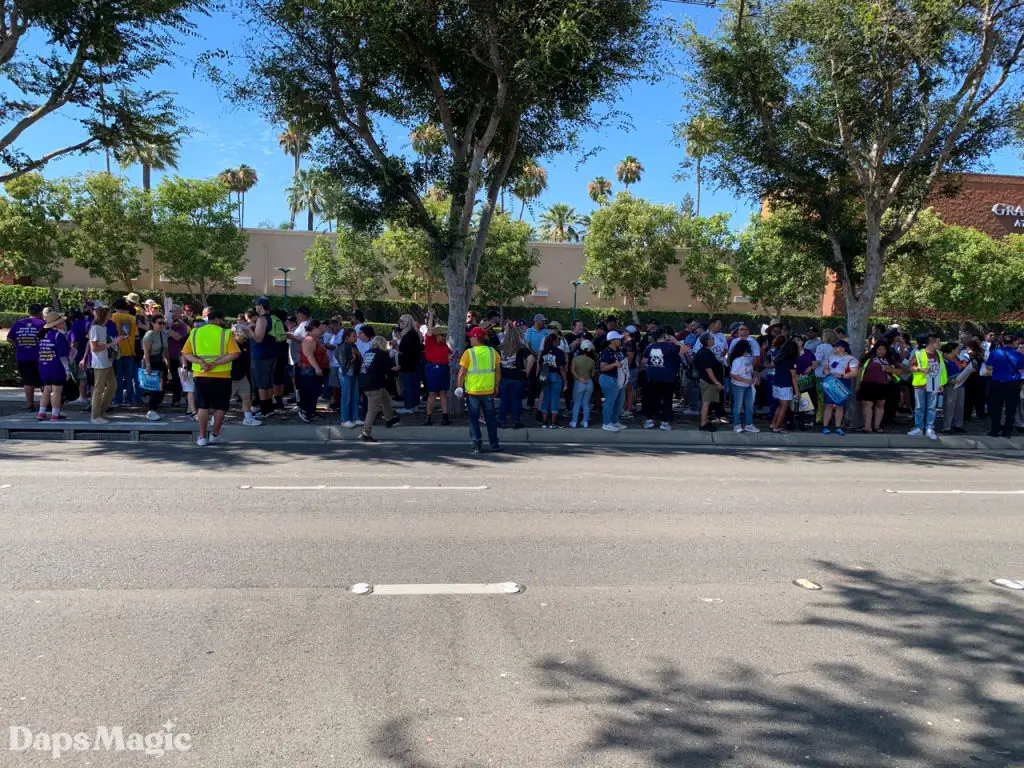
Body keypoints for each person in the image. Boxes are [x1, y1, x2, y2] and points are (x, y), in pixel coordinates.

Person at [181, 310, 240, 446]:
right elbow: (235, 354)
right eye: (223, 320)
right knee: (220, 406)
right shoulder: (226, 333)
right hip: (222, 375)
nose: (224, 323)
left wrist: (199, 362)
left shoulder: (195, 332)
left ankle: (202, 437)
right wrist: (215, 364)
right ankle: (215, 435)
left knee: (203, 406)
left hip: (200, 374)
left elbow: (185, 353)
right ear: (218, 320)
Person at [456, 326, 502, 453]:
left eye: (471, 336)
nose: (469, 338)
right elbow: (498, 372)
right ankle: (494, 444)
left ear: (476, 338)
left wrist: (459, 387)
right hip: (488, 391)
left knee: (473, 418)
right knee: (490, 419)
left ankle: (477, 444)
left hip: (473, 392)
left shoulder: (468, 353)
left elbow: (462, 372)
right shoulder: (493, 352)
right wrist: (496, 386)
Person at [358, 334, 400, 442]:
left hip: (365, 382)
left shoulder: (368, 353)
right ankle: (365, 432)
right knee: (373, 409)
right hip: (374, 384)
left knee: (385, 398)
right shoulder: (382, 354)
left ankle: (389, 418)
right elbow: (388, 369)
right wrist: (396, 369)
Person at [641, 326, 681, 431]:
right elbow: (683, 349)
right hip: (668, 377)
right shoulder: (671, 346)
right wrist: (675, 340)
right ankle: (664, 422)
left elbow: (644, 361)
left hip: (652, 376)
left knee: (652, 399)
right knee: (667, 400)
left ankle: (649, 420)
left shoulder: (649, 347)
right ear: (665, 335)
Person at [985, 333, 1024, 438]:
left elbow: (988, 367)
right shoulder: (1019, 355)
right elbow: (1022, 371)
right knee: (1010, 410)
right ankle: (1007, 431)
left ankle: (994, 431)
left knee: (996, 408)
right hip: (1012, 384)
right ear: (1014, 342)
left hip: (997, 383)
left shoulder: (995, 352)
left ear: (1002, 342)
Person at [36, 311, 72, 422]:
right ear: (56, 324)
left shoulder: (43, 335)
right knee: (57, 390)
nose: (64, 323)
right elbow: (63, 356)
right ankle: (55, 414)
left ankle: (41, 413)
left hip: (44, 366)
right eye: (61, 322)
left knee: (46, 389)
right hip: (56, 367)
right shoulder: (58, 335)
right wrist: (67, 370)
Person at [249, 297, 282, 419]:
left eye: (257, 305)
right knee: (268, 382)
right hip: (272, 354)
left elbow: (258, 338)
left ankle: (264, 410)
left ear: (261, 306)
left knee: (262, 383)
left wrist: (249, 329)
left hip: (261, 356)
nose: (255, 307)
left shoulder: (262, 319)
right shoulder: (272, 318)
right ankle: (269, 408)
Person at [908, 333, 946, 440]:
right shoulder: (919, 353)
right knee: (919, 407)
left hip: (934, 383)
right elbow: (911, 367)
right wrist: (921, 369)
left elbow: (942, 369)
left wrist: (942, 383)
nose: (939, 344)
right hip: (920, 383)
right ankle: (918, 428)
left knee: (931, 407)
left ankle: (929, 428)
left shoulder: (939, 354)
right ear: (932, 343)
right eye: (938, 342)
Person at [86, 304, 119, 424]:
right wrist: (112, 343)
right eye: (110, 313)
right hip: (100, 362)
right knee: (98, 389)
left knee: (113, 385)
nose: (111, 314)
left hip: (107, 361)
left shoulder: (103, 327)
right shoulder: (95, 328)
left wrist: (114, 342)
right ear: (104, 314)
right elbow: (94, 348)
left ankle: (100, 411)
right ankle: (95, 416)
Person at [10, 303, 45, 411]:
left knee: (28, 381)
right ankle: (46, 404)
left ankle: (30, 405)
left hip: (22, 356)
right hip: (40, 357)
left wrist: (19, 345)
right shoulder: (43, 324)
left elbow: (9, 338)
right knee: (43, 381)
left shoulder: (19, 323)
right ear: (40, 313)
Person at [821, 339, 858, 436]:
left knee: (839, 406)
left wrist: (841, 376)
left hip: (843, 382)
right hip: (830, 382)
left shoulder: (851, 359)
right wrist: (827, 373)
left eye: (839, 346)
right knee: (828, 405)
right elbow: (825, 368)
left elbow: (854, 372)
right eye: (836, 346)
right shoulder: (829, 357)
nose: (837, 348)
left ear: (844, 348)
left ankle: (838, 427)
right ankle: (825, 427)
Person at [857, 341, 896, 434]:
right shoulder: (868, 358)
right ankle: (867, 426)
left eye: (884, 349)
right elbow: (860, 371)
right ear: (876, 349)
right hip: (867, 384)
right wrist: (857, 385)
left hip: (883, 384)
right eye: (879, 349)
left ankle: (877, 426)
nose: (881, 351)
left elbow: (897, 371)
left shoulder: (890, 359)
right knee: (867, 404)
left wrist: (891, 372)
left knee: (880, 404)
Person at [498, 325, 532, 429]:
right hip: (518, 377)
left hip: (504, 377)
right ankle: (516, 421)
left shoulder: (500, 348)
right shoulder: (521, 348)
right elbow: (531, 359)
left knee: (503, 400)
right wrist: (527, 371)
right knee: (516, 400)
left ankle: (502, 420)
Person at [296, 320, 329, 423]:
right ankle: (305, 411)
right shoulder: (309, 339)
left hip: (315, 369)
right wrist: (317, 368)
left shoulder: (316, 338)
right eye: (319, 328)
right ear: (313, 328)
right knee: (309, 391)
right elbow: (308, 355)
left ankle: (311, 411)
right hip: (309, 370)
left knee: (315, 391)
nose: (321, 330)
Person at [110, 297, 139, 407]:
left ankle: (118, 399)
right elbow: (135, 333)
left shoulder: (114, 317)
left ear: (116, 307)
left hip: (118, 350)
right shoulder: (132, 318)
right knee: (129, 376)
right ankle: (129, 399)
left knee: (118, 376)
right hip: (130, 349)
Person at [230, 322, 260, 427]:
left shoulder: (245, 343)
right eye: (243, 337)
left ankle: (248, 418)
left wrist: (248, 328)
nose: (246, 339)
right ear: (235, 335)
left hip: (243, 376)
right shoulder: (229, 344)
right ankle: (215, 418)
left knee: (247, 397)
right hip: (230, 377)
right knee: (223, 400)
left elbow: (254, 337)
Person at [693, 332, 724, 432]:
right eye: (712, 339)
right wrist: (717, 382)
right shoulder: (706, 353)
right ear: (708, 341)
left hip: (705, 381)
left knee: (706, 403)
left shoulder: (702, 352)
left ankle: (705, 421)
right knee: (706, 403)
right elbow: (708, 370)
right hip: (708, 382)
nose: (714, 340)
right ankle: (703, 423)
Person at [142, 315, 171, 421]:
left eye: (163, 323)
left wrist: (168, 366)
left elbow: (166, 351)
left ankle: (155, 409)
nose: (161, 325)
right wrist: (148, 365)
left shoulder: (163, 334)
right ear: (153, 324)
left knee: (162, 387)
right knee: (154, 388)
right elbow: (146, 352)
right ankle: (151, 410)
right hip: (152, 362)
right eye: (159, 323)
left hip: (160, 362)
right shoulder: (149, 335)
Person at [422, 325, 451, 426]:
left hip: (444, 368)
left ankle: (445, 416)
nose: (444, 337)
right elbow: (429, 332)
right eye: (442, 335)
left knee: (443, 393)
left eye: (444, 335)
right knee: (432, 394)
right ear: (436, 336)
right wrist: (430, 316)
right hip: (433, 369)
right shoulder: (430, 343)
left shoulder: (445, 346)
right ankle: (429, 417)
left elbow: (450, 355)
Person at [536, 333, 567, 428]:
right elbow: (562, 368)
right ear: (554, 341)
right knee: (555, 398)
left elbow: (540, 364)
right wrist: (566, 381)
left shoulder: (544, 352)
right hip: (555, 375)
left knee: (546, 397)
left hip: (545, 375)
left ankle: (544, 422)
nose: (559, 341)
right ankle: (554, 422)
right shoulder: (559, 352)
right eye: (558, 339)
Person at [598, 330, 627, 432]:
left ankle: (614, 421)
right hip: (609, 378)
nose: (620, 340)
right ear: (612, 340)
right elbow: (602, 368)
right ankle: (606, 423)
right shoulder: (606, 352)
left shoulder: (618, 352)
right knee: (609, 401)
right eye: (618, 339)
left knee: (619, 401)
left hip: (618, 380)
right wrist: (614, 365)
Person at [769, 338, 799, 434]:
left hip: (776, 383)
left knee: (780, 405)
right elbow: (794, 377)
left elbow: (771, 365)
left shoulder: (779, 357)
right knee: (784, 407)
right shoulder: (791, 360)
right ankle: (777, 427)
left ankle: (773, 423)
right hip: (785, 385)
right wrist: (797, 391)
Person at [728, 339, 758, 433]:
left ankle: (749, 424)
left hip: (748, 385)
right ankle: (736, 425)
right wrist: (747, 380)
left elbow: (750, 371)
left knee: (749, 406)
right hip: (738, 386)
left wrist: (755, 377)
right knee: (738, 406)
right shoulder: (738, 360)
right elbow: (733, 374)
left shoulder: (746, 359)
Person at [336, 327, 362, 428]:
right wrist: (352, 358)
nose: (356, 338)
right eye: (353, 336)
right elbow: (344, 363)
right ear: (347, 337)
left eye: (356, 336)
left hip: (354, 373)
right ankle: (345, 419)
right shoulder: (343, 347)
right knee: (346, 397)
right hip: (345, 374)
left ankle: (355, 417)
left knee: (355, 396)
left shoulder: (353, 346)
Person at [939, 342, 968, 435]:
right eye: (957, 349)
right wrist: (949, 381)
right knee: (949, 406)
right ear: (952, 350)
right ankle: (946, 427)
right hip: (950, 385)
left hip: (960, 384)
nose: (958, 351)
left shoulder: (956, 359)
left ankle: (958, 425)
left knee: (960, 405)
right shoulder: (943, 360)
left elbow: (961, 368)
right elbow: (940, 374)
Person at [396, 313, 422, 414]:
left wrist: (396, 348)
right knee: (413, 386)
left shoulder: (409, 335)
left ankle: (408, 406)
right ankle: (414, 405)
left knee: (407, 387)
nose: (400, 323)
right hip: (412, 364)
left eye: (401, 321)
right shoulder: (413, 334)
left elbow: (405, 350)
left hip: (407, 365)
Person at [569, 339, 596, 429]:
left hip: (579, 382)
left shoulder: (576, 359)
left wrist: (579, 378)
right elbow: (592, 374)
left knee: (577, 403)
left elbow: (572, 370)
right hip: (589, 383)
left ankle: (574, 422)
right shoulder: (592, 361)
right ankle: (585, 422)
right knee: (586, 403)